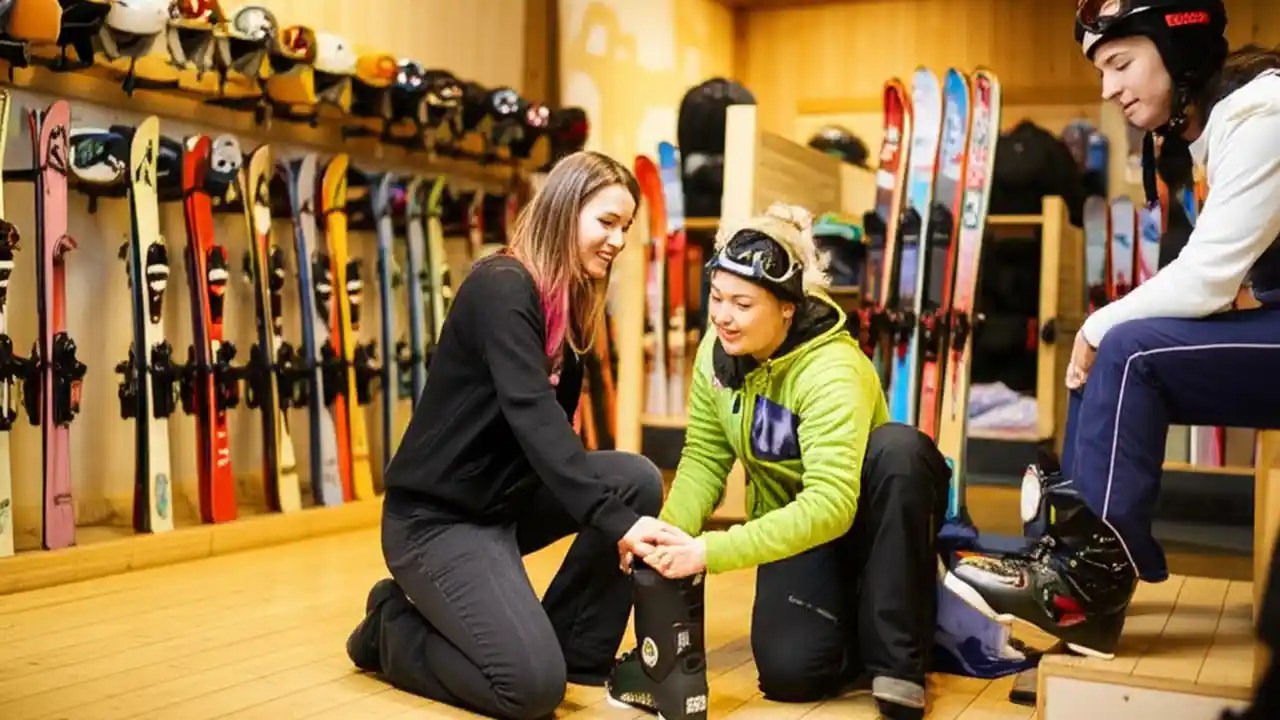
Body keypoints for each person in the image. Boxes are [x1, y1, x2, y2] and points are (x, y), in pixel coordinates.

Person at [945, 0, 1280, 662]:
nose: (1108, 88)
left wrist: (1096, 324)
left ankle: (1083, 583)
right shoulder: (1225, 122)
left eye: (1121, 63)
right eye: (1102, 70)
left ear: (1178, 52)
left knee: (1126, 349)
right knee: (1124, 347)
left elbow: (1209, 277)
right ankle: (1074, 574)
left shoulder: (1263, 115)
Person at [343, 150, 681, 720]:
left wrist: (620, 514)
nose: (619, 240)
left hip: (500, 506)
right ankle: (389, 629)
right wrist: (619, 526)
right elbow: (533, 415)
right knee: (529, 692)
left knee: (635, 479)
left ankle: (576, 650)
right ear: (563, 210)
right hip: (436, 522)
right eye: (606, 222)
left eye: (625, 227)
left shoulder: (569, 304)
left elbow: (549, 444)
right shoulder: (502, 286)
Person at [604, 203, 952, 720]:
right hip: (795, 530)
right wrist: (667, 536)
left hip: (860, 527)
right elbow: (703, 457)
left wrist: (709, 551)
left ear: (788, 307)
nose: (723, 316)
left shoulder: (832, 369)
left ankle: (897, 652)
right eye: (717, 297)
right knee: (790, 674)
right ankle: (856, 622)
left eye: (742, 304)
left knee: (899, 448)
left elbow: (833, 504)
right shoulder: (717, 353)